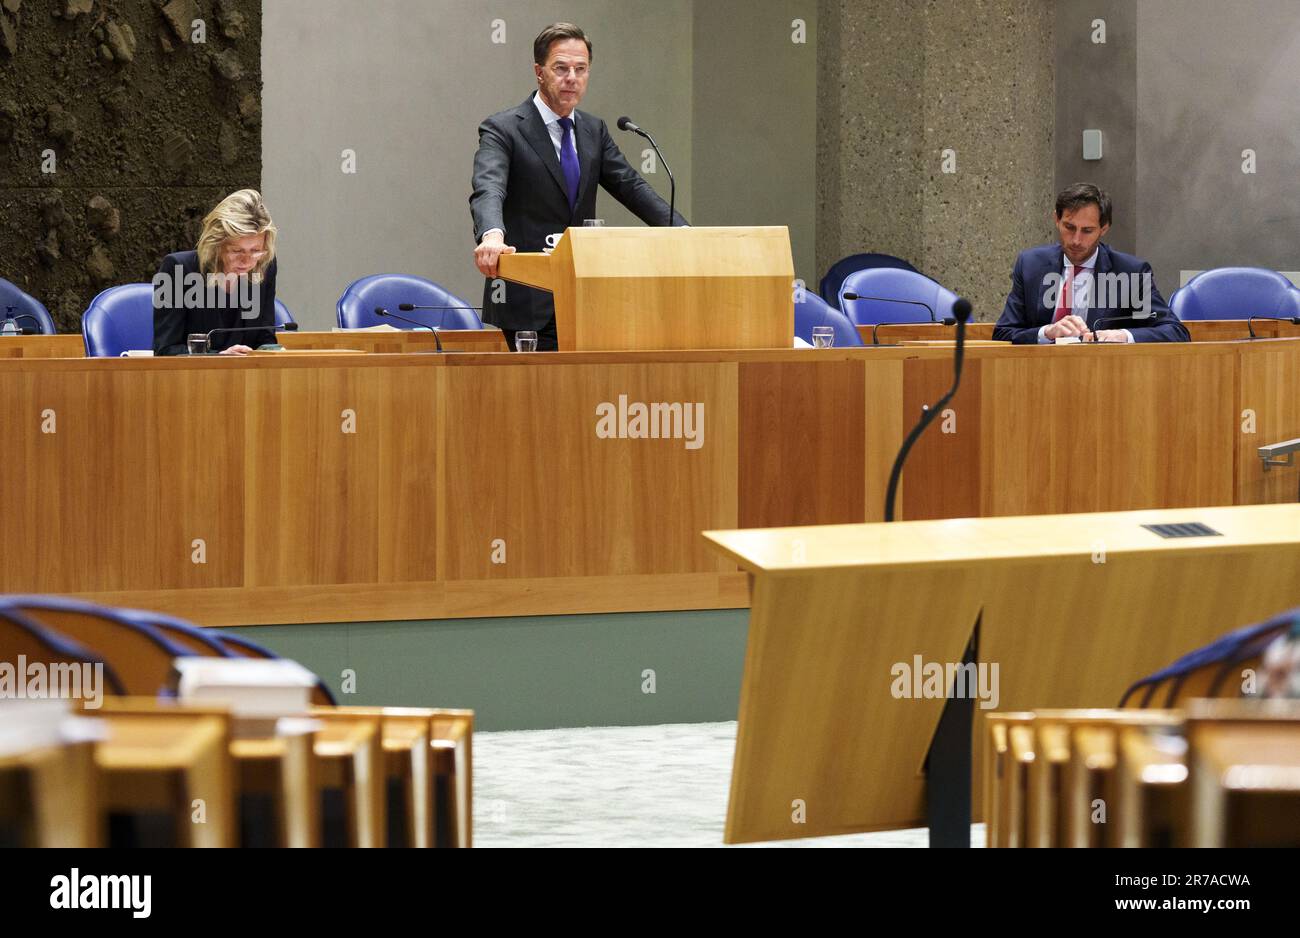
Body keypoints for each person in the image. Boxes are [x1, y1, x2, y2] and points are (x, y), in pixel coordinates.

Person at [469, 22, 687, 351]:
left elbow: (632, 187)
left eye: (580, 68)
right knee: (540, 399)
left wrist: (686, 233)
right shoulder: (504, 129)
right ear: (539, 72)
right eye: (561, 68)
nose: (572, 77)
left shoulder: (593, 131)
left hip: (586, 297)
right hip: (529, 300)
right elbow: (489, 187)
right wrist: (492, 236)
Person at [993, 183, 1188, 344]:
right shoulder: (1030, 265)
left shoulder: (1130, 273)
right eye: (1069, 227)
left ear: (1103, 229)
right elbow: (1003, 333)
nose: (1076, 240)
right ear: (1056, 220)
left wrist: (1123, 336)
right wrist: (1046, 332)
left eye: (1087, 231)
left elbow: (1175, 332)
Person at [153, 188, 279, 356]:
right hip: (193, 378)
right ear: (216, 245)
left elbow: (265, 340)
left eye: (256, 250)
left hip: (248, 378)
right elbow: (165, 350)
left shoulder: (264, 267)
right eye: (237, 251)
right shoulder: (177, 269)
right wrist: (219, 358)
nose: (247, 261)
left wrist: (275, 353)